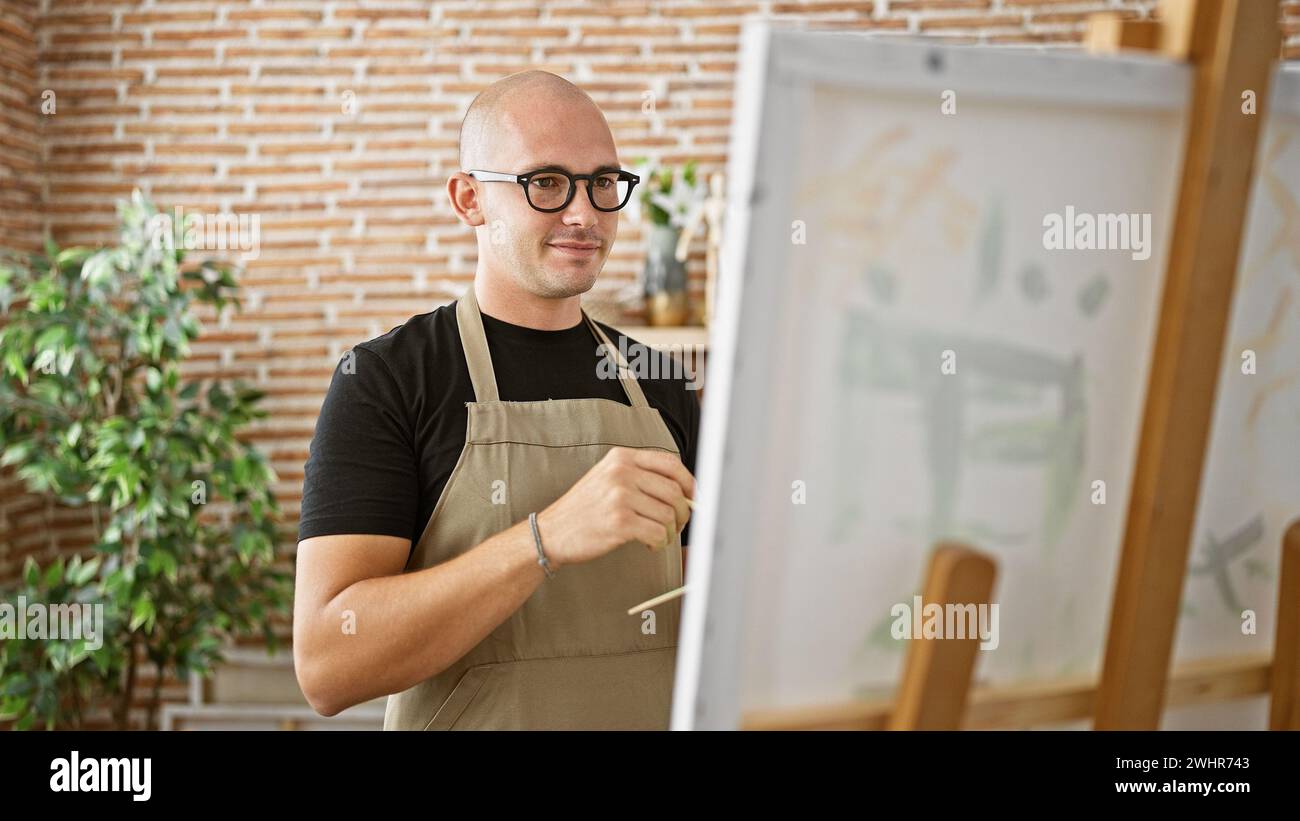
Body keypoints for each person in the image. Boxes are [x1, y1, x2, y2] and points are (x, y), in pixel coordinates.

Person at [292, 70, 700, 730]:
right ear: (469, 199)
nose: (585, 214)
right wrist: (545, 539)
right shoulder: (387, 379)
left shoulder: (665, 385)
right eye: (545, 182)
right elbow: (328, 667)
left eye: (602, 182)